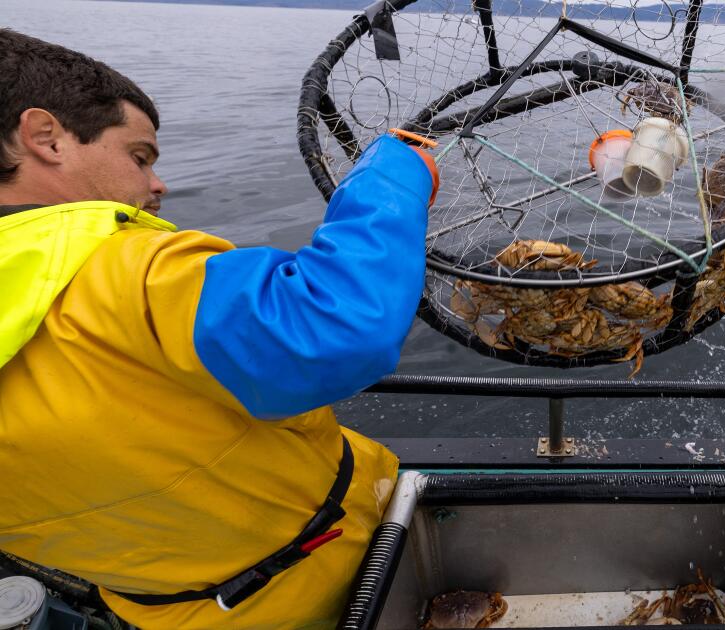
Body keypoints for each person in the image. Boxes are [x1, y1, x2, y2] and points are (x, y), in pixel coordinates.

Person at [0, 30, 437, 628]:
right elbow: (335, 326)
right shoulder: (124, 272)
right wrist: (397, 174)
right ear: (45, 137)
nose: (158, 186)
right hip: (340, 574)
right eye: (139, 156)